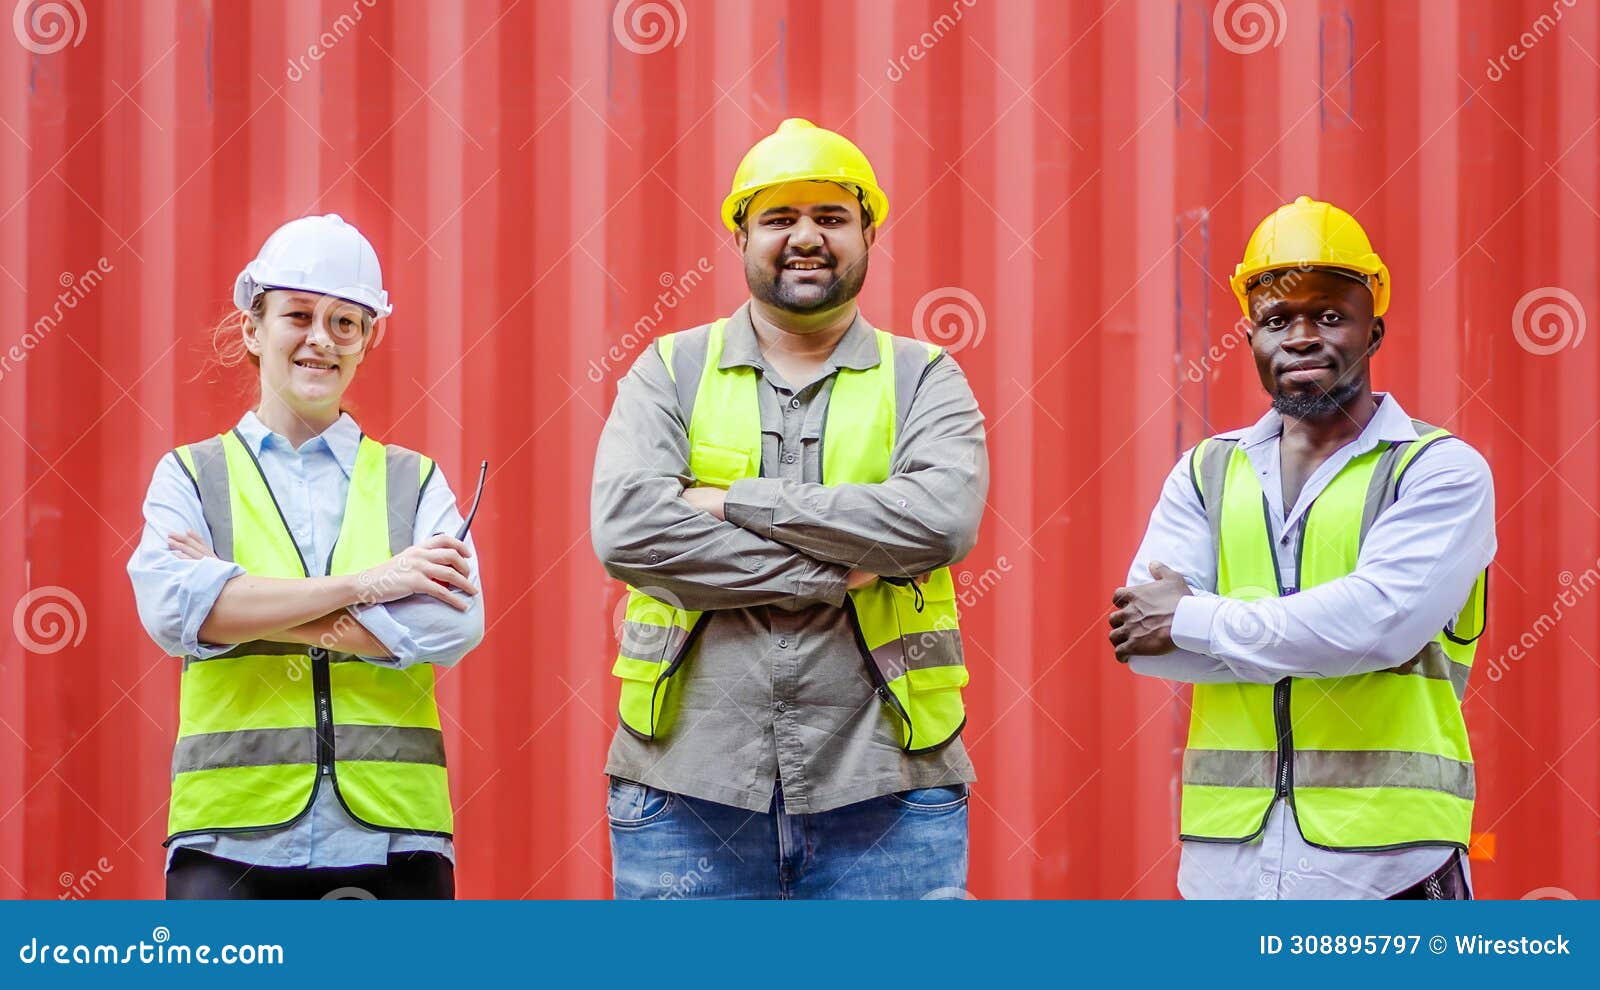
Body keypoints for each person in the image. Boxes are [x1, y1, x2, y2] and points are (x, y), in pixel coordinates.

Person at [591, 119, 989, 899]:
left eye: (831, 217)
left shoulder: (924, 376)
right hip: (684, 792)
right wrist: (837, 571)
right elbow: (630, 533)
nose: (806, 238)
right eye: (779, 218)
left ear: (869, 233)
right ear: (741, 236)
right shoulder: (669, 369)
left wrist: (732, 499)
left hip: (890, 786)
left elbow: (938, 523)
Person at [1109, 196, 1493, 899]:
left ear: (1374, 332)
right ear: (1250, 337)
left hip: (1388, 868)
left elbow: (1380, 626)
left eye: (1331, 316)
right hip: (1226, 872)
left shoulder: (1439, 470)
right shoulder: (1205, 471)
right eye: (1278, 320)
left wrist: (1196, 617)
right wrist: (1312, 632)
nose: (1302, 337)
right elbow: (1144, 642)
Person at [128, 214, 485, 899]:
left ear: (366, 341)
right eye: (298, 315)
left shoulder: (415, 481)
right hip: (230, 840)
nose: (321, 338)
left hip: (395, 838)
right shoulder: (191, 476)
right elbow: (173, 614)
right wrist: (372, 584)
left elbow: (453, 626)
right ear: (252, 329)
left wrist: (238, 606)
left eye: (345, 322)